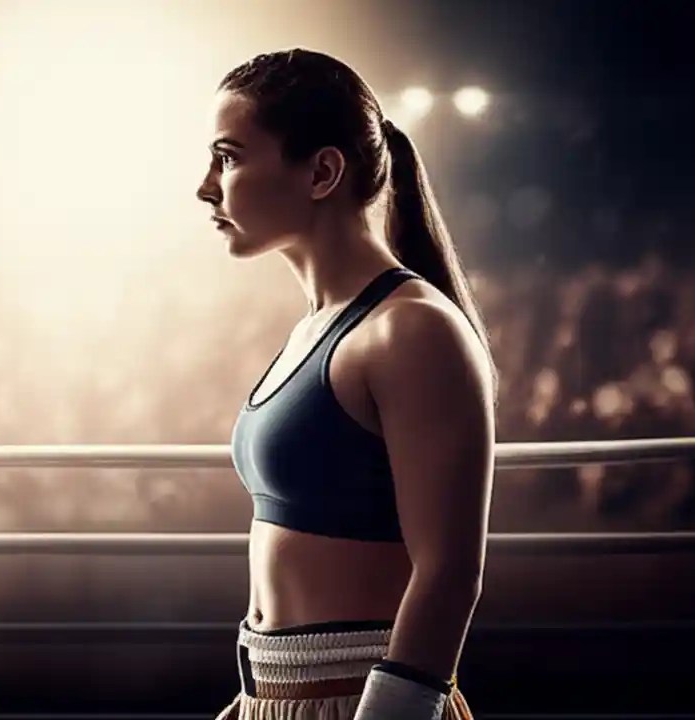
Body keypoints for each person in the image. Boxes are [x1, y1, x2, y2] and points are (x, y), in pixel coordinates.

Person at [197, 48, 495, 720]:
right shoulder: (316, 326)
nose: (206, 186)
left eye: (229, 156)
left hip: (364, 702)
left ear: (323, 171)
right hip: (274, 698)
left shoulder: (413, 331)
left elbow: (449, 574)